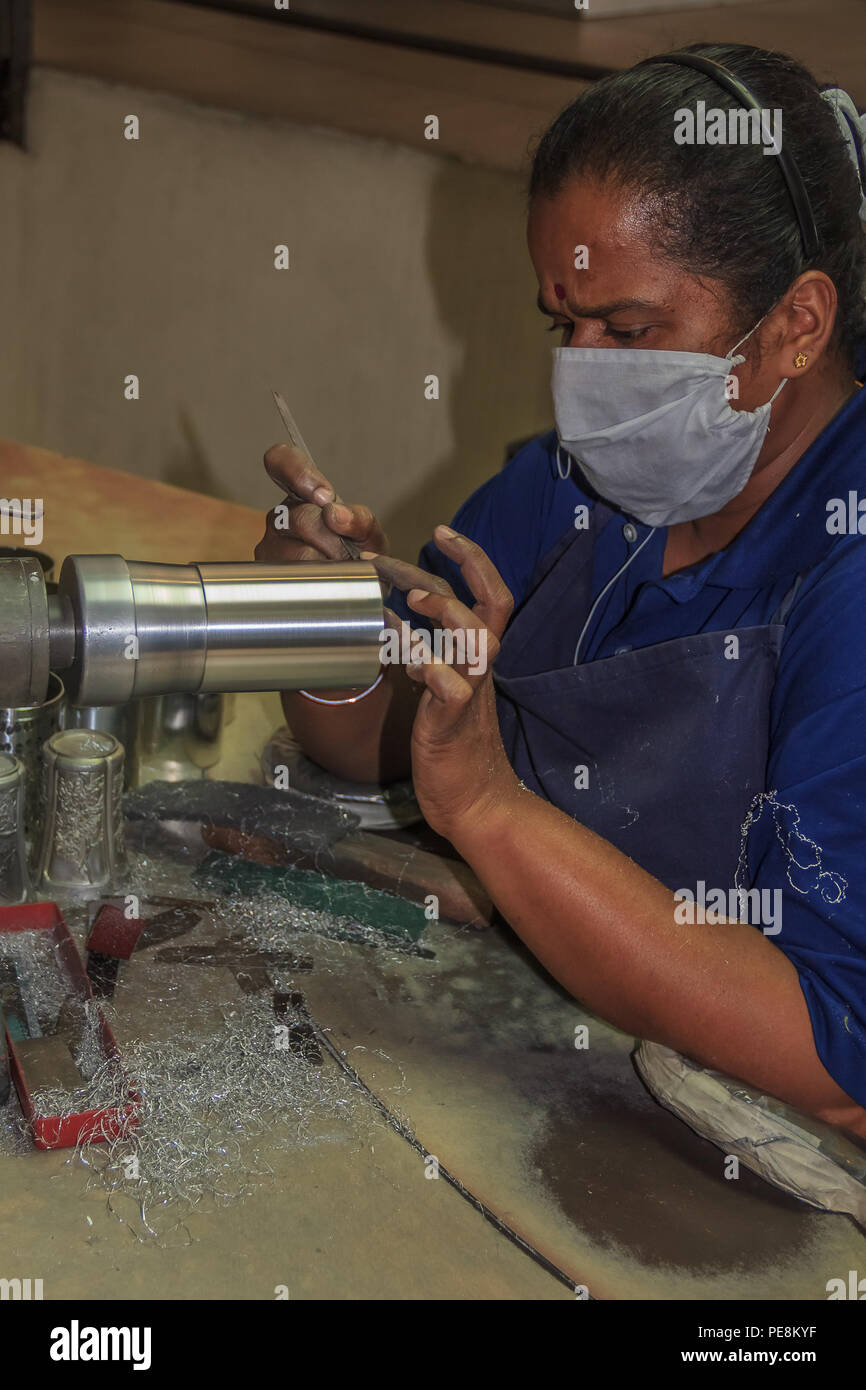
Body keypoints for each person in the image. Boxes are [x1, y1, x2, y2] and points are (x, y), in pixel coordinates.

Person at [256, 43, 866, 1139]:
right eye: (562, 325)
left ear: (796, 324)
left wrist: (492, 808)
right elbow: (375, 744)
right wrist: (311, 611)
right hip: (549, 1055)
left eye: (627, 333)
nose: (585, 376)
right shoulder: (575, 486)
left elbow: (828, 1048)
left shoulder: (845, 570)